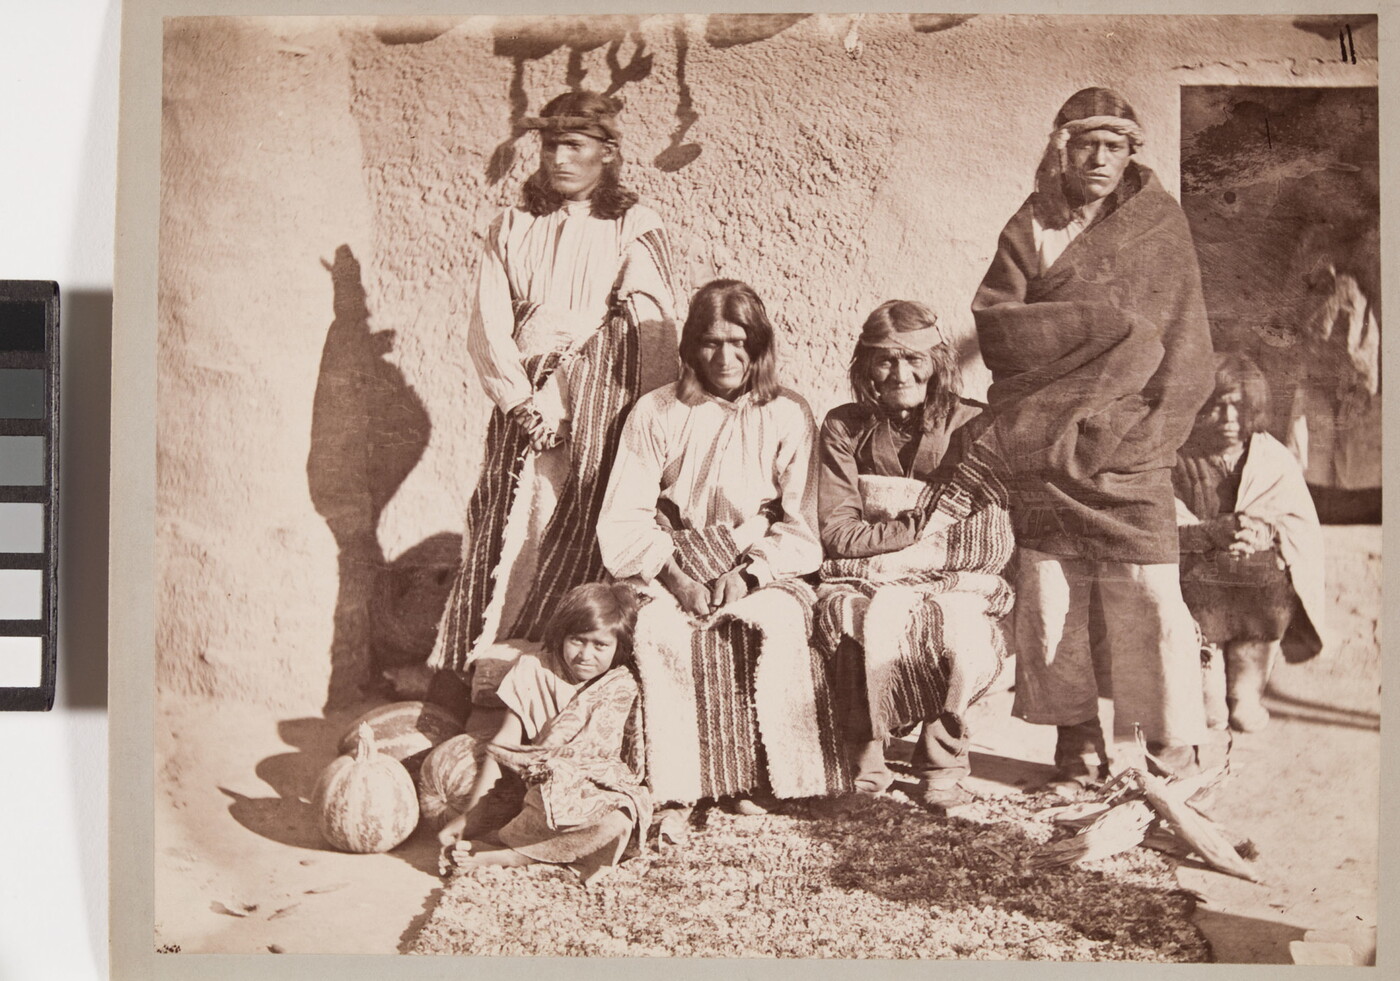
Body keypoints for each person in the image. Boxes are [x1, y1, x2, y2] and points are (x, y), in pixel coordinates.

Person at [970, 87, 1216, 792]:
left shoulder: (1160, 227)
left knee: (1149, 596)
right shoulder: (1034, 226)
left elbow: (1186, 347)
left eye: (1114, 145)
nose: (1099, 158)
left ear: (1132, 151)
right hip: (1047, 445)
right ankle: (1076, 742)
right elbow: (997, 327)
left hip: (1133, 447)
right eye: (1086, 144)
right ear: (1063, 150)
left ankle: (1171, 751)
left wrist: (1147, 431)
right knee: (1052, 597)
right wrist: (1092, 334)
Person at [429, 90, 679, 709]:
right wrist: (520, 403)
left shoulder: (634, 225)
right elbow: (488, 324)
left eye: (575, 145)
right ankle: (471, 678)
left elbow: (650, 322)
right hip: (523, 405)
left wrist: (585, 397)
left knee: (580, 533)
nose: (560, 157)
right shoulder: (511, 226)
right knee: (501, 526)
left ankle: (574, 684)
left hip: (599, 406)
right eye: (550, 145)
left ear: (608, 153)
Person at [596, 279, 847, 820]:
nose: (726, 357)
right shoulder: (656, 412)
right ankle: (687, 781)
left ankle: (768, 778)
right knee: (662, 632)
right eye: (711, 342)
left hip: (757, 560)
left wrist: (749, 575)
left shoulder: (788, 413)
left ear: (759, 345)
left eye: (740, 342)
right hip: (671, 562)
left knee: (770, 626)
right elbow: (624, 517)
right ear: (690, 347)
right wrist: (678, 579)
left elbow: (801, 523)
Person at [813, 301, 1015, 812]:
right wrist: (920, 524)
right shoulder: (844, 426)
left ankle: (941, 764)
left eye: (913, 359)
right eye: (885, 360)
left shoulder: (975, 425)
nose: (900, 373)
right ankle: (865, 764)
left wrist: (904, 535)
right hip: (864, 576)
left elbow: (984, 530)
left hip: (956, 574)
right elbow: (838, 532)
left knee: (958, 625)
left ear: (938, 361)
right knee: (846, 617)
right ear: (866, 368)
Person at [437, 582, 650, 885]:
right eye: (577, 640)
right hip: (545, 789)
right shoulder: (533, 669)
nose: (585, 655)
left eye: (600, 645)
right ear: (562, 635)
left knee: (618, 821)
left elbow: (619, 762)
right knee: (550, 796)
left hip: (599, 791)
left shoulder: (621, 683)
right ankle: (522, 847)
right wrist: (471, 814)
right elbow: (505, 745)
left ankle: (511, 853)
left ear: (618, 648)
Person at [1174, 353, 1325, 733]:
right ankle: (1208, 692)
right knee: (1201, 599)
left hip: (1255, 567)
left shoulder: (1271, 458)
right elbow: (1166, 518)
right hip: (1195, 566)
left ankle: (1244, 693)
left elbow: (1297, 523)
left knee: (1268, 588)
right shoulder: (1181, 459)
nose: (1228, 420)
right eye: (1217, 408)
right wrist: (1210, 534)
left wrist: (1263, 534)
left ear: (1254, 409)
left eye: (1239, 408)